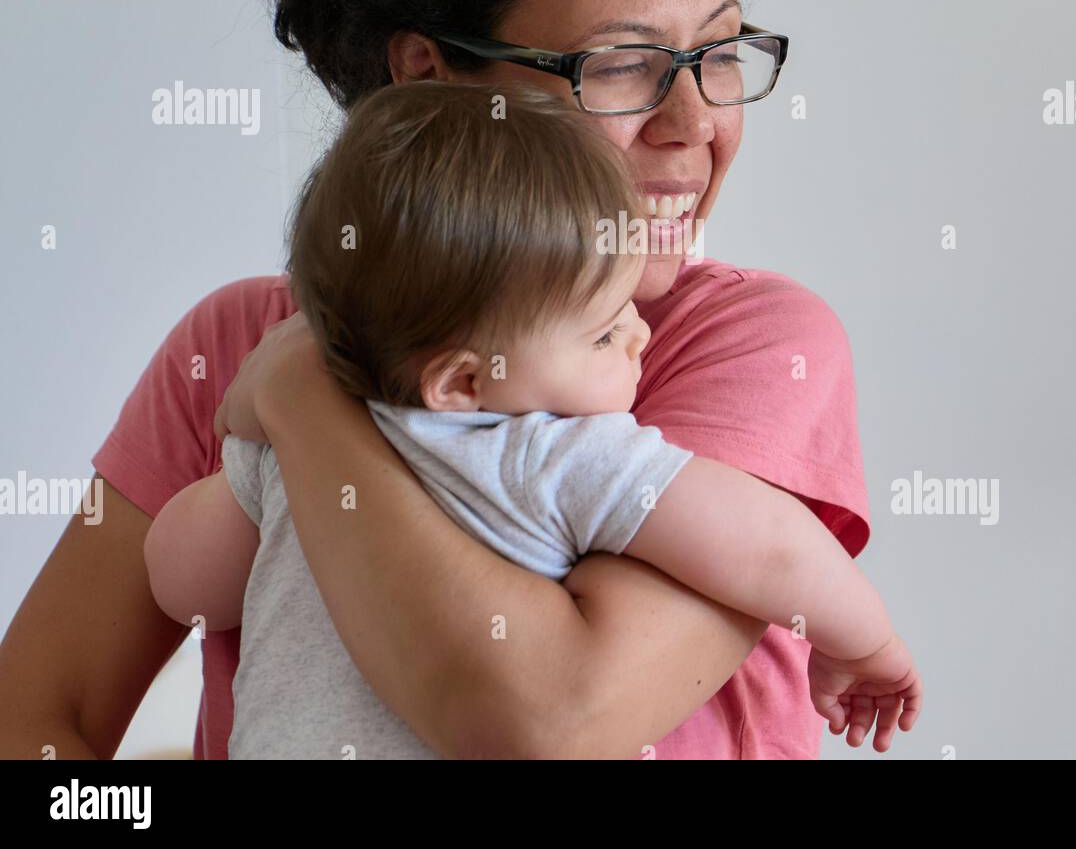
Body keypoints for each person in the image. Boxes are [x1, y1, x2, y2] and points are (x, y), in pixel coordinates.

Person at [0, 0, 900, 759]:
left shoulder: (749, 346)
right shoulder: (229, 341)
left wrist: (305, 395)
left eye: (718, 52)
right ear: (429, 81)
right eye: (620, 65)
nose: (693, 121)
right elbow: (38, 722)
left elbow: (552, 717)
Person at [141, 81, 922, 759]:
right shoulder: (554, 453)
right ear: (464, 382)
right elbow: (771, 551)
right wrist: (869, 643)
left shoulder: (288, 463)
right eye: (605, 330)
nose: (639, 334)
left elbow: (177, 578)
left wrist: (263, 441)